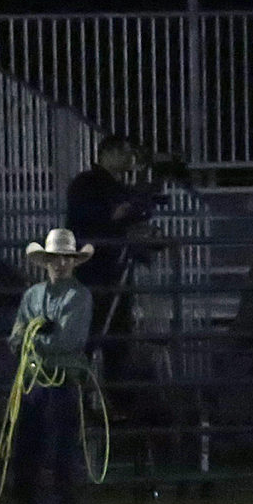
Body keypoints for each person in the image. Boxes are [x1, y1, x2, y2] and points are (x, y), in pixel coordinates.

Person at [8, 229, 97, 504]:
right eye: (56, 258)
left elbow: (68, 340)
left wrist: (32, 337)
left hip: (61, 382)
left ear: (72, 261)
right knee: (25, 455)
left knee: (62, 456)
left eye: (66, 258)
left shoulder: (79, 296)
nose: (61, 263)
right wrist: (35, 336)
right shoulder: (34, 295)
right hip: (35, 382)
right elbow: (16, 338)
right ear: (46, 261)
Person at [65, 135, 157, 374]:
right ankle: (79, 386)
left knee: (118, 334)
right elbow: (89, 219)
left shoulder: (116, 186)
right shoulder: (86, 184)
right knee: (91, 330)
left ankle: (114, 389)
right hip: (93, 269)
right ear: (109, 153)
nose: (130, 158)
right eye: (126, 152)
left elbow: (138, 212)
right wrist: (116, 216)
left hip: (115, 268)